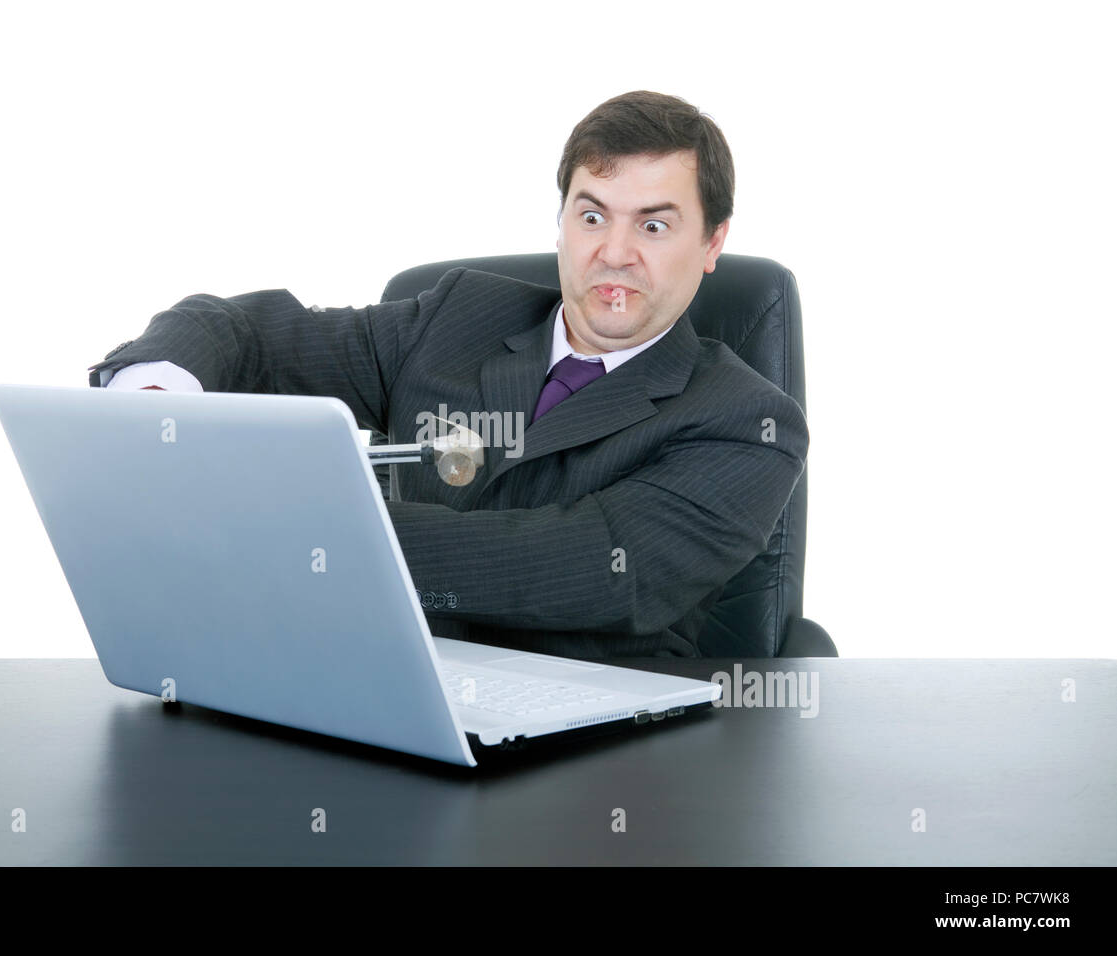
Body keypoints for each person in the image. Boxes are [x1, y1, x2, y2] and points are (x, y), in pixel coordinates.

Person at [88, 90, 809, 659]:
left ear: (713, 241)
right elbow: (249, 334)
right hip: (382, 692)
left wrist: (301, 528)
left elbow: (587, 566)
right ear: (560, 221)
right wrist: (151, 398)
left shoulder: (749, 423)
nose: (613, 253)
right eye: (592, 217)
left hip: (597, 758)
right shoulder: (457, 318)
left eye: (653, 226)